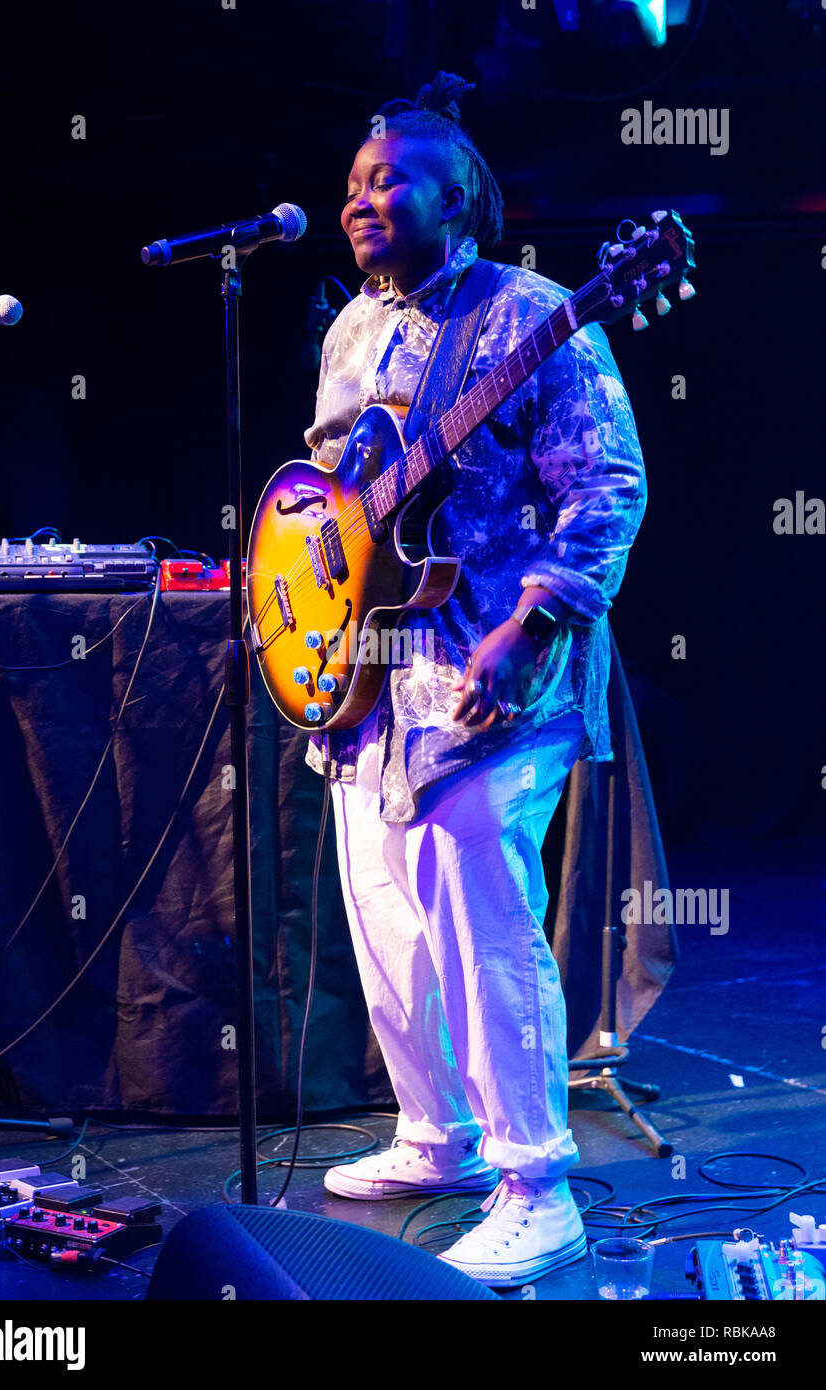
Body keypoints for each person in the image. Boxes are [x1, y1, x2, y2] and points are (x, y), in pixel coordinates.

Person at [302, 71, 647, 1288]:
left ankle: (535, 1182)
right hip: (370, 680)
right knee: (387, 921)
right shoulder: (349, 328)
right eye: (353, 181)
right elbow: (333, 497)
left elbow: (607, 485)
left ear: (462, 198)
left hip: (500, 674)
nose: (362, 198)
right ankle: (435, 1135)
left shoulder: (531, 315)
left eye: (389, 178)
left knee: (480, 922)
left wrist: (537, 622)